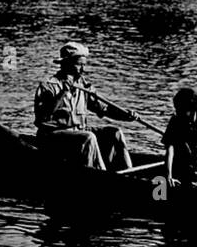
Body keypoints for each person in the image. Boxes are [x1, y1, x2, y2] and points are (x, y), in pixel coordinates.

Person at [34, 41, 140, 171]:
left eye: (84, 65)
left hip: (79, 132)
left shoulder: (83, 85)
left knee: (114, 133)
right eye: (79, 65)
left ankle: (128, 173)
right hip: (52, 137)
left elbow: (104, 108)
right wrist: (62, 93)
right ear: (66, 63)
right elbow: (41, 119)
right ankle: (100, 174)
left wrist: (124, 115)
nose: (83, 69)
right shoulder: (48, 86)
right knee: (88, 137)